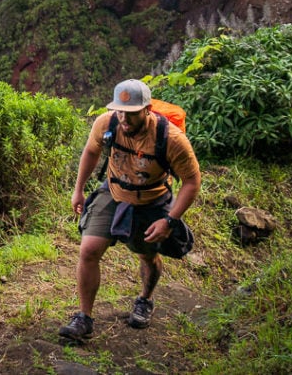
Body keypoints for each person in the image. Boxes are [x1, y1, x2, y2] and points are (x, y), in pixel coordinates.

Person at [59, 79, 201, 342]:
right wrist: (78, 189)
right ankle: (84, 318)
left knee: (146, 254)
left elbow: (192, 181)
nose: (124, 118)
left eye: (131, 113)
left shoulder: (171, 139)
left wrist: (170, 220)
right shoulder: (106, 123)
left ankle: (145, 300)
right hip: (113, 192)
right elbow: (91, 151)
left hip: (151, 200)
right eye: (120, 111)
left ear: (147, 109)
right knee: (88, 250)